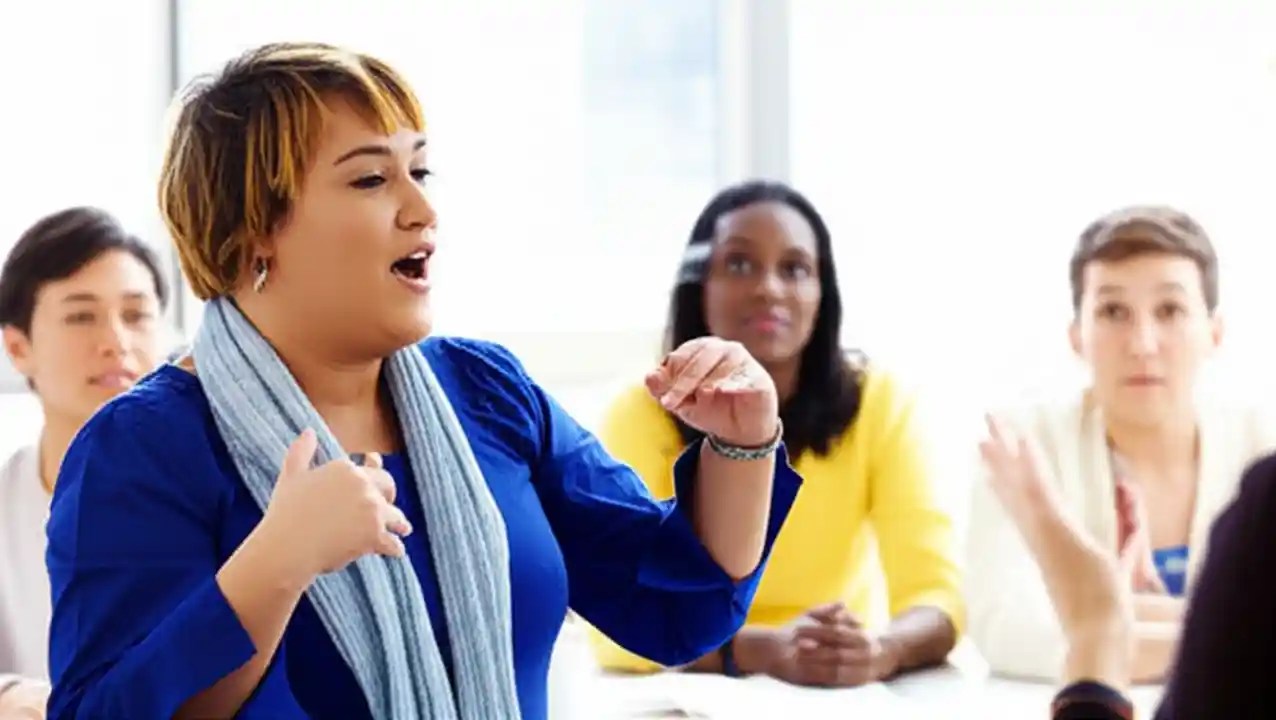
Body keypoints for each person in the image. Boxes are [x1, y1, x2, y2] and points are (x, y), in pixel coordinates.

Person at [44, 43, 801, 720]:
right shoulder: (138, 448)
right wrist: (274, 566)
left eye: (421, 169)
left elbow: (673, 605)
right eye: (373, 178)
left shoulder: (487, 390)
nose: (423, 208)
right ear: (251, 238)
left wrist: (744, 445)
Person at [588, 180, 963, 686]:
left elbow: (938, 598)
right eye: (740, 264)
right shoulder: (642, 408)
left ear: (821, 294)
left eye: (795, 268)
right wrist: (762, 650)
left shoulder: (878, 403)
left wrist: (880, 652)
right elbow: (610, 626)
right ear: (700, 285)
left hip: (836, 690)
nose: (769, 288)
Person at [965, 205, 1276, 682]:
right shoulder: (1026, 448)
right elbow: (1005, 630)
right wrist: (1220, 637)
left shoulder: (1265, 449)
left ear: (1214, 333)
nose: (1142, 343)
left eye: (1170, 310)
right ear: (1077, 336)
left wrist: (1103, 622)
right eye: (1113, 312)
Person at [981, 412, 1276, 719]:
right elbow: (1004, 627)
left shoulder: (1263, 483)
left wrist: (1098, 636)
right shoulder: (1032, 438)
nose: (1143, 359)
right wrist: (1200, 627)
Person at [0, 207, 169, 719]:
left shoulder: (217, 497)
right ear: (17, 346)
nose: (116, 342)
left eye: (137, 315)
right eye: (81, 315)